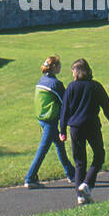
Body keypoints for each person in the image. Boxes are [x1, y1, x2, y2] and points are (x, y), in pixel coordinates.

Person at [58, 58, 109, 205]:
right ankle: (87, 184)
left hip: (75, 128)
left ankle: (80, 195)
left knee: (80, 161)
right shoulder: (95, 86)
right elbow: (108, 108)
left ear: (76, 72)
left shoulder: (71, 88)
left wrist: (62, 130)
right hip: (92, 126)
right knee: (99, 155)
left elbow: (64, 111)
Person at [25, 55, 77, 189]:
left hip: (42, 119)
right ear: (54, 67)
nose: (60, 67)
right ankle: (30, 178)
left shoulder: (41, 81)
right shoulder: (55, 84)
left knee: (60, 146)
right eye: (59, 65)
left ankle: (71, 173)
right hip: (51, 121)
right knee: (42, 150)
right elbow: (66, 103)